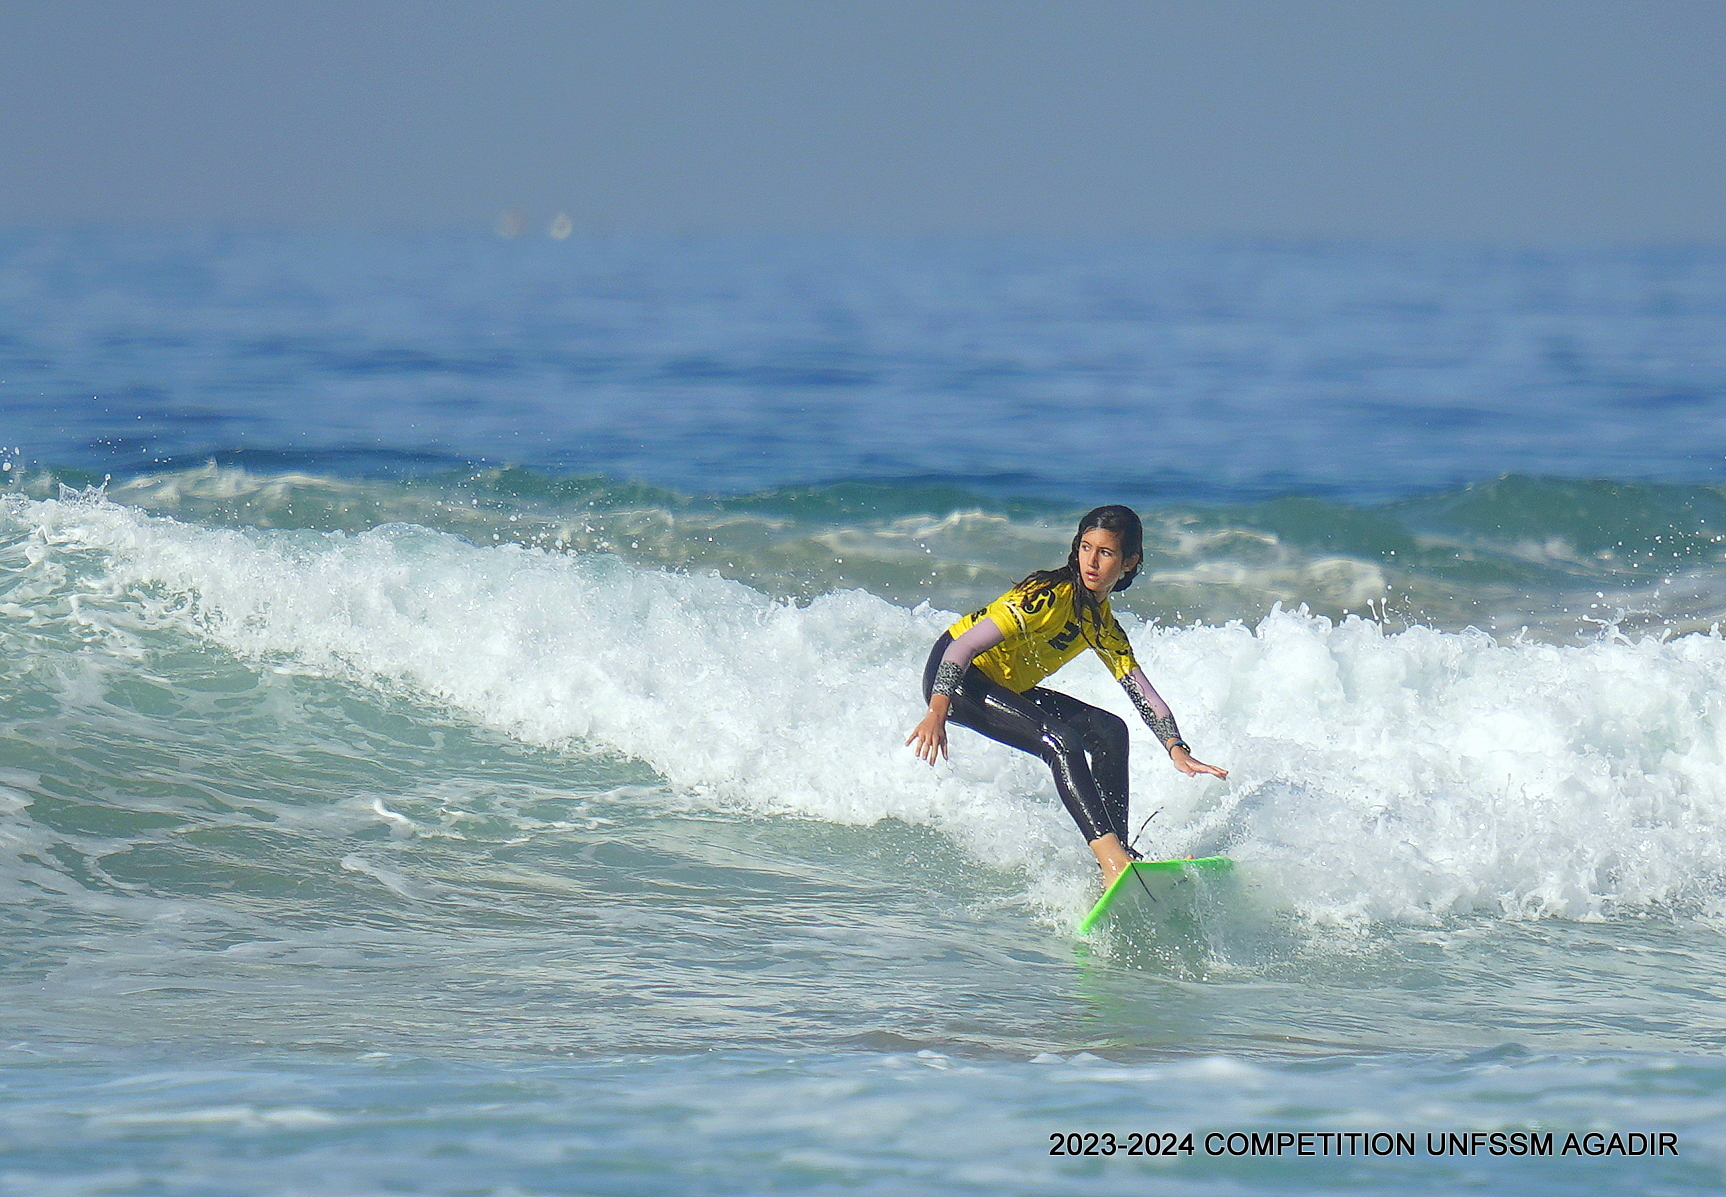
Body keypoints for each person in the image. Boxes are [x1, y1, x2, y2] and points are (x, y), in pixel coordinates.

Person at [905, 505, 1227, 883]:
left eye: (1105, 552)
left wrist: (1176, 748)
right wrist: (936, 711)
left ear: (1129, 562)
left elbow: (1142, 693)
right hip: (956, 678)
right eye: (1085, 547)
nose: (1091, 561)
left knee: (1110, 731)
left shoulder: (1101, 624)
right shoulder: (1045, 597)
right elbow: (960, 650)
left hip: (1003, 683)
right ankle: (1112, 862)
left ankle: (1118, 853)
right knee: (1061, 742)